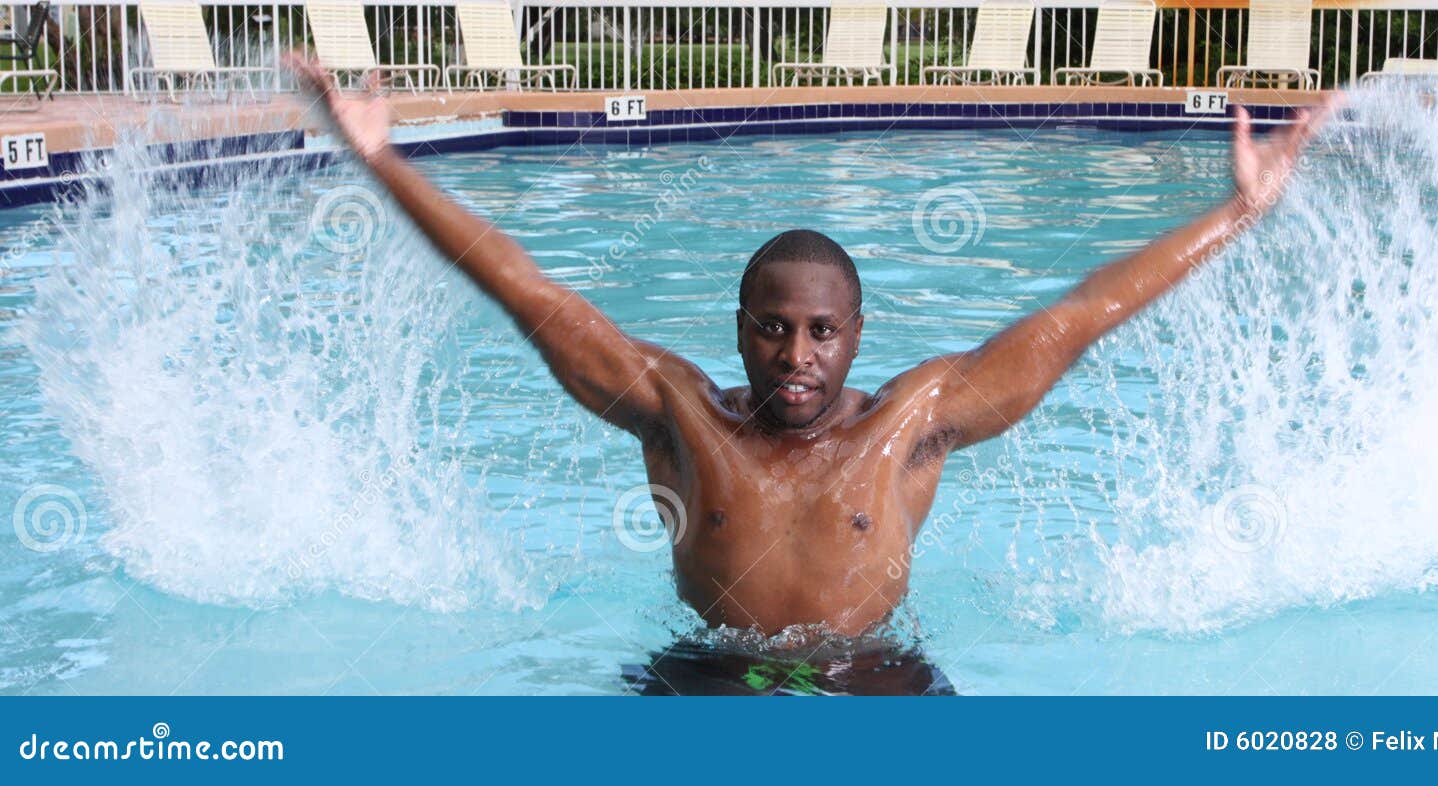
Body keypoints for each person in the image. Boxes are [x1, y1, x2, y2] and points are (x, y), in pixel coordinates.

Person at [287, 56, 1334, 689]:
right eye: (773, 330)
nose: (797, 358)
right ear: (738, 328)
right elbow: (522, 289)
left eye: (821, 333)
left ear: (856, 331)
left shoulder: (916, 421)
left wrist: (1239, 212)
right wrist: (381, 164)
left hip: (872, 675)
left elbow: (1081, 315)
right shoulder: (675, 414)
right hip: (708, 674)